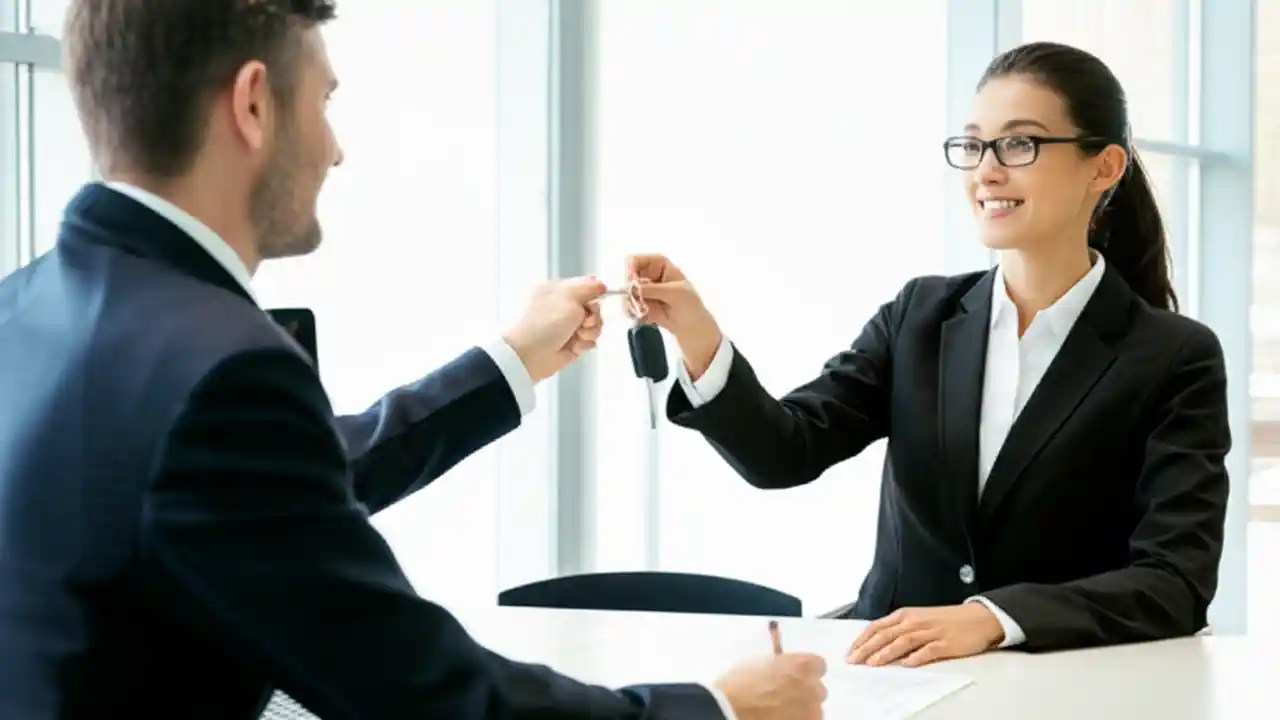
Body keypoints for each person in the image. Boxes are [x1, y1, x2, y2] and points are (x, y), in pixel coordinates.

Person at [0, 2, 827, 718]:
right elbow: (428, 696)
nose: (335, 149)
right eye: (325, 101)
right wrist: (718, 710)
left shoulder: (24, 311)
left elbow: (275, 492)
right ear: (254, 103)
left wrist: (512, 360)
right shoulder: (224, 369)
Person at [626, 41, 1230, 668]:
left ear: (1103, 167)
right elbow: (785, 451)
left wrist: (993, 620)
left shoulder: (1173, 356)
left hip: (1058, 685)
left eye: (1019, 144)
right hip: (889, 680)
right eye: (974, 146)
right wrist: (697, 334)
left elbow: (1174, 582)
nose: (986, 171)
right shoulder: (920, 317)